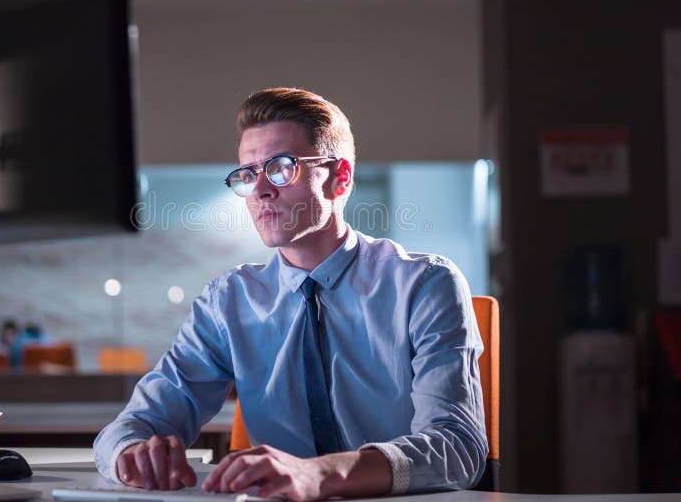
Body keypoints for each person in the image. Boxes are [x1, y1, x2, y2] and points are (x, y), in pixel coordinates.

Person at [93, 87, 487, 500]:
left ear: (340, 177)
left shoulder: (425, 283)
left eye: (281, 167)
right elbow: (132, 425)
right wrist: (131, 452)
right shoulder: (228, 301)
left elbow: (456, 448)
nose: (260, 189)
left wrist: (317, 474)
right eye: (248, 173)